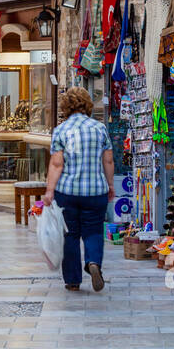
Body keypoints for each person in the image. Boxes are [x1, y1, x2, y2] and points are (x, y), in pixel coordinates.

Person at [43, 87, 113, 292]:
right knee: (93, 231)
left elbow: (57, 164)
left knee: (70, 235)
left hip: (68, 192)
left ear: (66, 107)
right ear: (87, 105)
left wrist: (49, 190)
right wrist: (109, 184)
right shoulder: (99, 128)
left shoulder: (61, 130)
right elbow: (107, 159)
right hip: (95, 191)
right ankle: (93, 263)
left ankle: (73, 281)